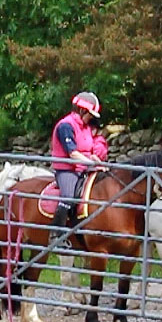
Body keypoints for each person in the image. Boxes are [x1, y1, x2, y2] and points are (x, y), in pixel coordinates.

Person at [48, 91, 105, 230]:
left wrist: (96, 160)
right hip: (67, 169)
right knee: (68, 197)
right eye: (89, 114)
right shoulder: (65, 126)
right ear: (81, 110)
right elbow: (72, 153)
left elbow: (86, 150)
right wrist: (90, 162)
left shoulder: (86, 128)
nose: (91, 118)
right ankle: (57, 234)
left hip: (83, 167)